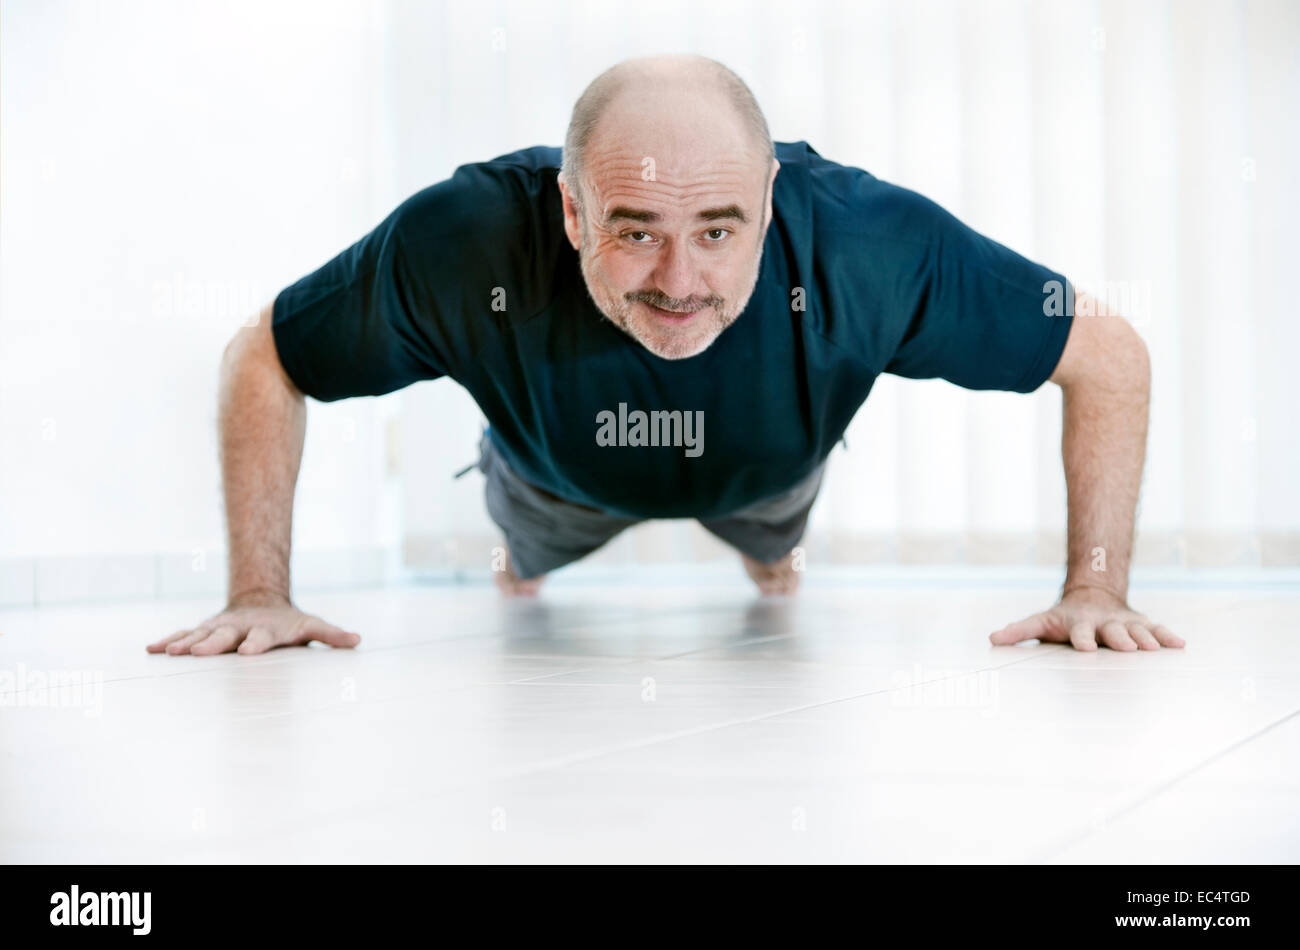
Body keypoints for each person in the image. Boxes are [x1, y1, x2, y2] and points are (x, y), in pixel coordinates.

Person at [148, 53, 1183, 657]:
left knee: (773, 534)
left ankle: (768, 548)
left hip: (772, 471)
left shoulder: (874, 245)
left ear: (772, 200)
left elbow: (1108, 354)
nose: (680, 280)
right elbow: (265, 354)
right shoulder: (460, 241)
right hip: (553, 484)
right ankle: (527, 552)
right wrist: (257, 596)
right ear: (567, 207)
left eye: (720, 231)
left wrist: (1096, 588)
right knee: (523, 557)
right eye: (636, 230)